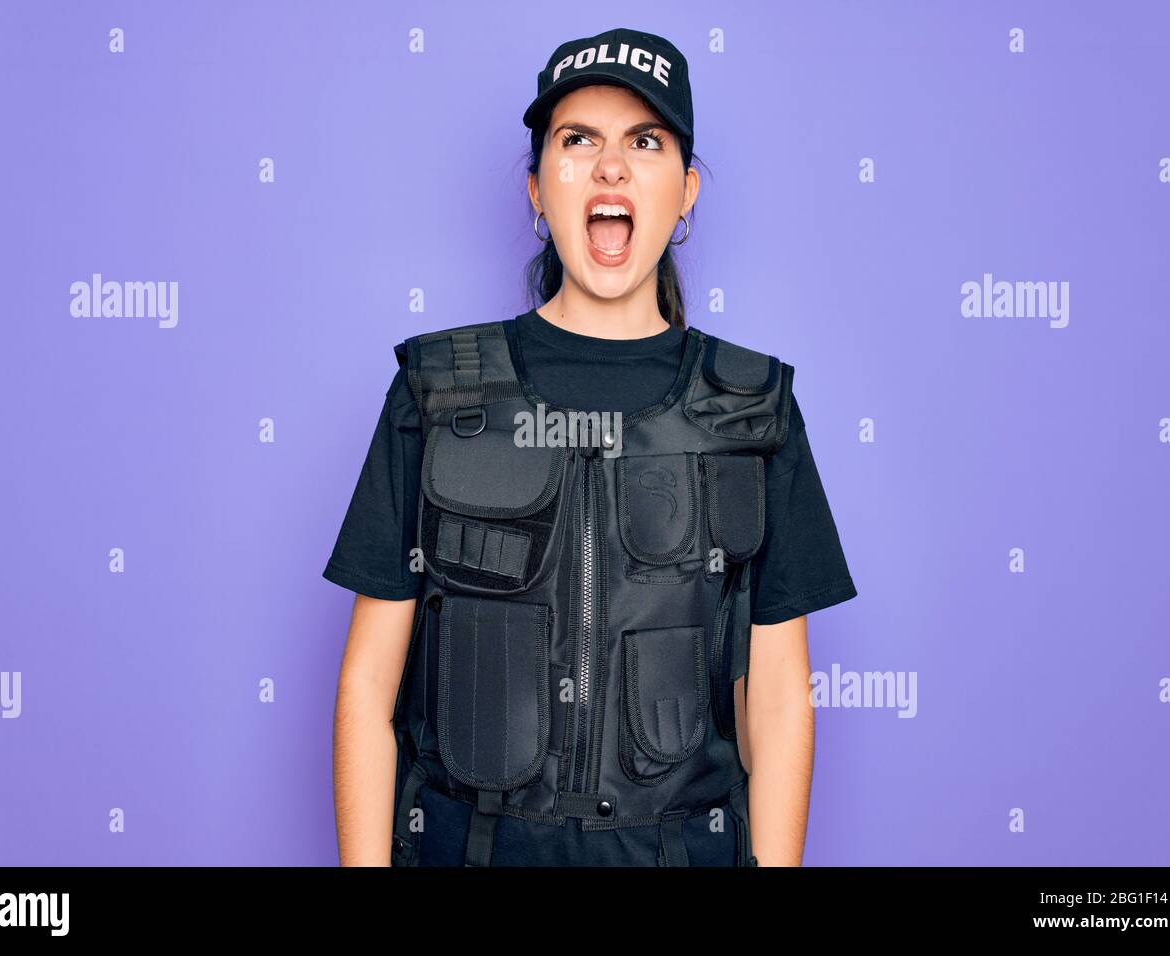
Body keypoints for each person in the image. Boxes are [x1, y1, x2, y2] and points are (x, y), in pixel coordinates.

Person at [323, 27, 857, 867]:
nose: (611, 167)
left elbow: (780, 699)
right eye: (579, 140)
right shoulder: (436, 392)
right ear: (538, 190)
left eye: (644, 141)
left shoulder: (751, 407)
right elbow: (365, 688)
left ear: (686, 191)